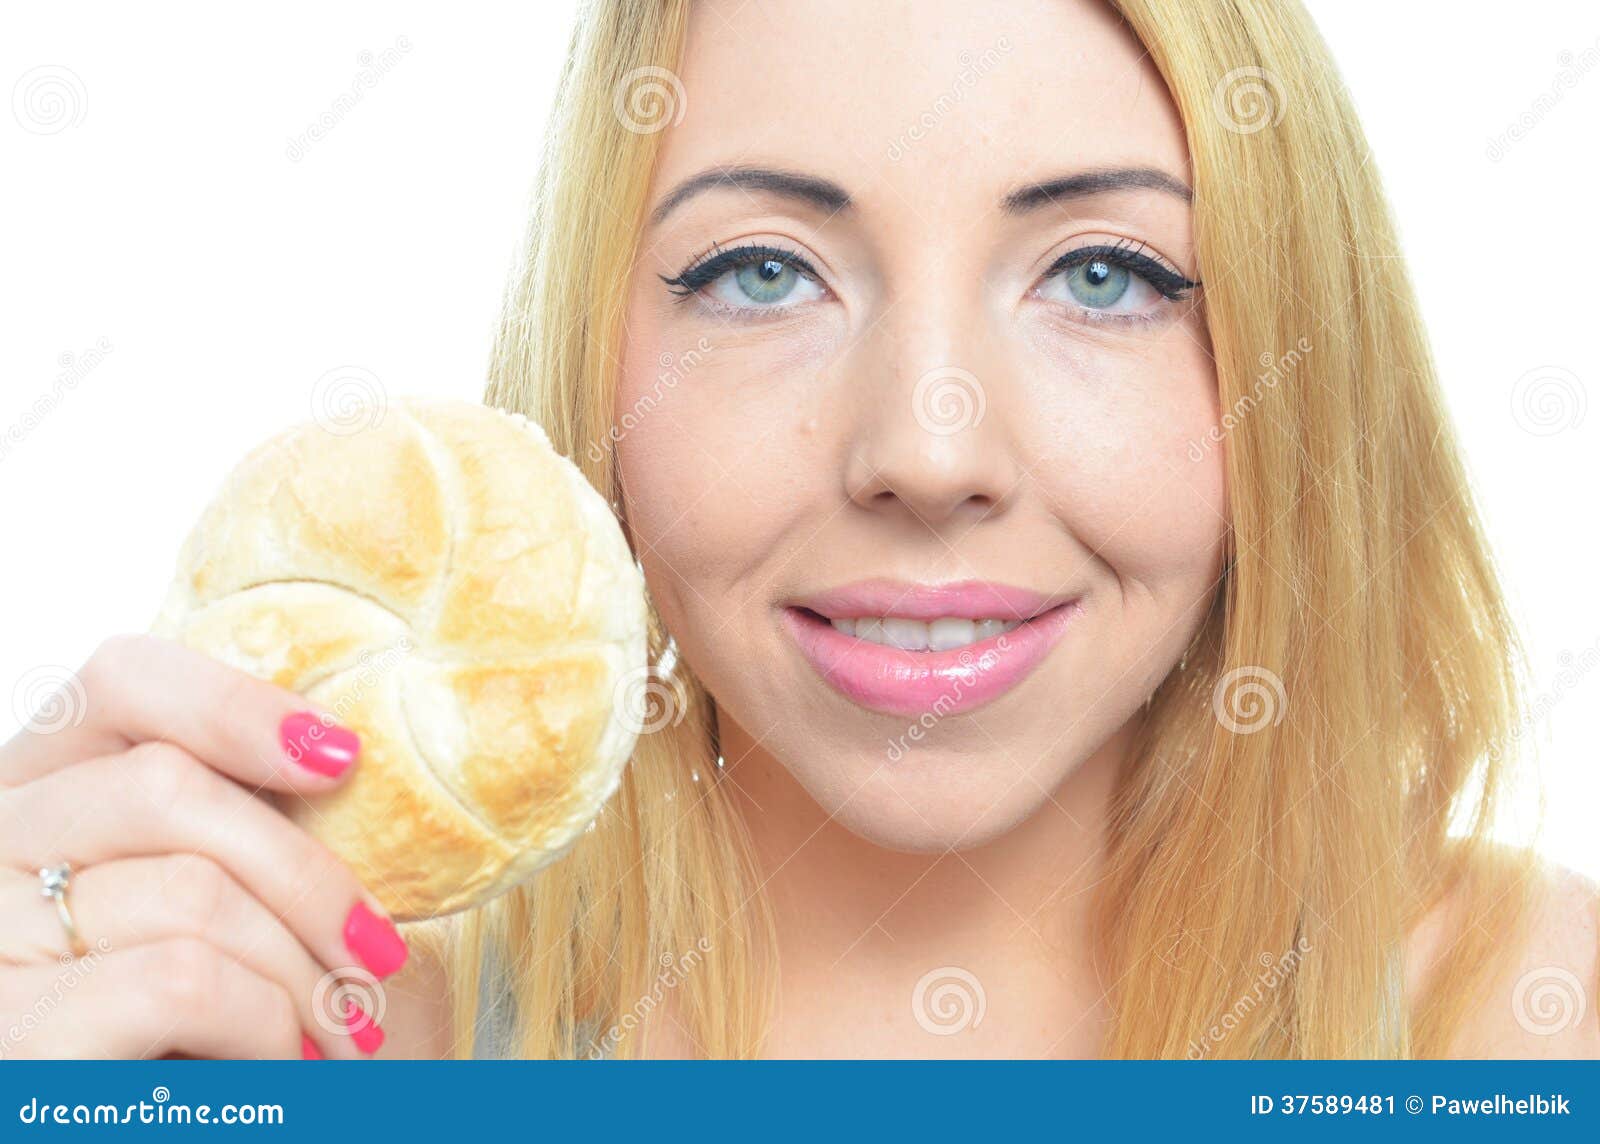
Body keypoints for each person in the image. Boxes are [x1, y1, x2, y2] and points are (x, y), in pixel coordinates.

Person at [3, 0, 1595, 1059]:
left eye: (1105, 273)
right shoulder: (292, 1040)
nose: (927, 447)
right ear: (592, 355)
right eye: (761, 271)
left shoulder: (1547, 1021)